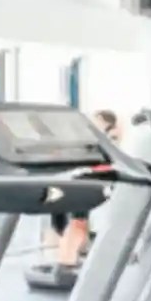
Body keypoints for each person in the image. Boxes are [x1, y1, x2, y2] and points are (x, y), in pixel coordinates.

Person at [52, 110, 121, 269]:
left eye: (96, 120)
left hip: (96, 181)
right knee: (72, 220)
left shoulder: (109, 137)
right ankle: (71, 254)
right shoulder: (92, 138)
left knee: (79, 221)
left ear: (103, 121)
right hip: (85, 179)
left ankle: (69, 258)